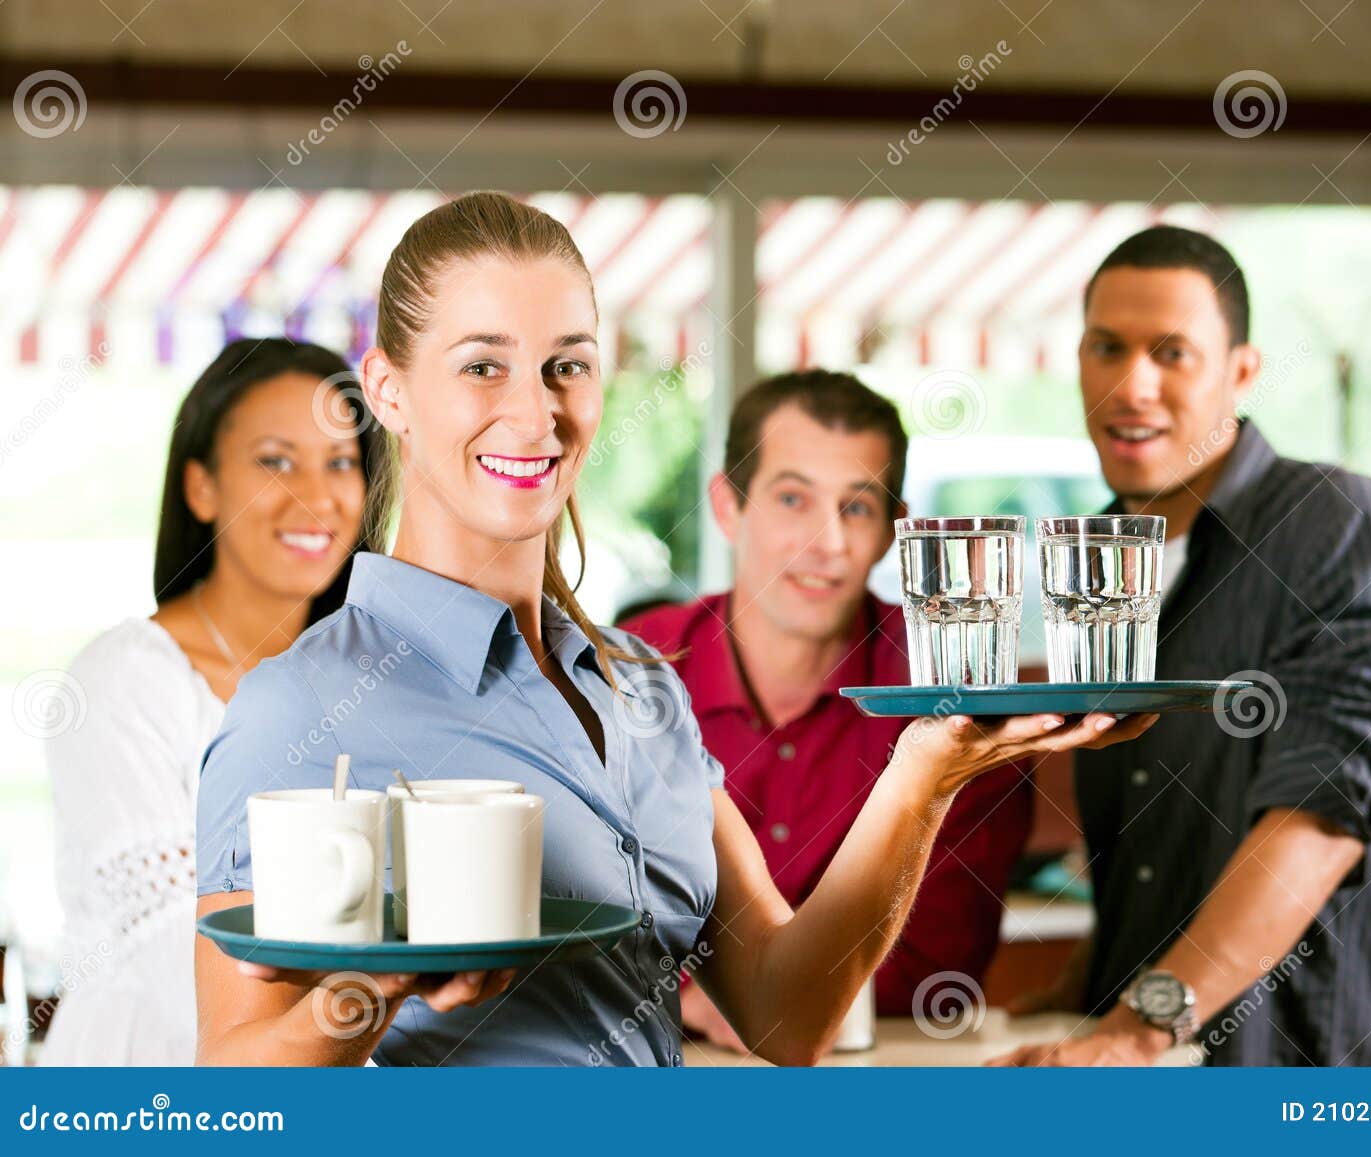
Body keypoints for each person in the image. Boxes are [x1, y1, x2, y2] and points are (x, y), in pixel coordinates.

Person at [192, 191, 1154, 1067]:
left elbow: (786, 1012)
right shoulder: (300, 707)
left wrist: (924, 771)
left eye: (566, 365)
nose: (537, 413)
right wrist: (378, 987)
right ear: (389, 390)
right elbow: (234, 1098)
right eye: (482, 366)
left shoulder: (644, 686)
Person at [993, 225, 1371, 1067]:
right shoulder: (1100, 560)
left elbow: (1319, 821)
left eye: (1172, 352)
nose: (1132, 384)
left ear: (1241, 372)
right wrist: (1090, 982)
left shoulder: (1343, 526)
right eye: (1107, 347)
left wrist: (1141, 1026)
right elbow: (1155, 851)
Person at [622, 370, 1033, 1049]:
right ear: (727, 506)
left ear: (894, 528)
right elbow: (578, 928)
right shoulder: (632, 670)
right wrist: (693, 998)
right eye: (792, 498)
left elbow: (939, 965)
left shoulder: (957, 690)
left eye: (858, 506)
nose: (829, 544)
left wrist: (756, 994)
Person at [40, 338, 382, 1065]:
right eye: (275, 460)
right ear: (201, 486)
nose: (316, 496)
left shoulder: (366, 684)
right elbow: (180, 957)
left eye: (341, 461)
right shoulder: (124, 681)